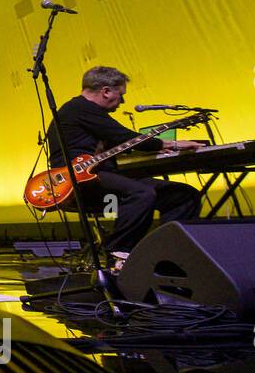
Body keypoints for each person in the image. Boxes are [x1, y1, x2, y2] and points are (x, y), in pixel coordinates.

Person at [47, 66, 202, 260]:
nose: (122, 101)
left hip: (100, 176)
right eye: (120, 95)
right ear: (105, 91)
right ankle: (117, 252)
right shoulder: (81, 108)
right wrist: (171, 143)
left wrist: (158, 148)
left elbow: (121, 143)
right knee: (141, 193)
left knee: (184, 195)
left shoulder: (84, 112)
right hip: (81, 183)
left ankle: (167, 253)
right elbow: (123, 137)